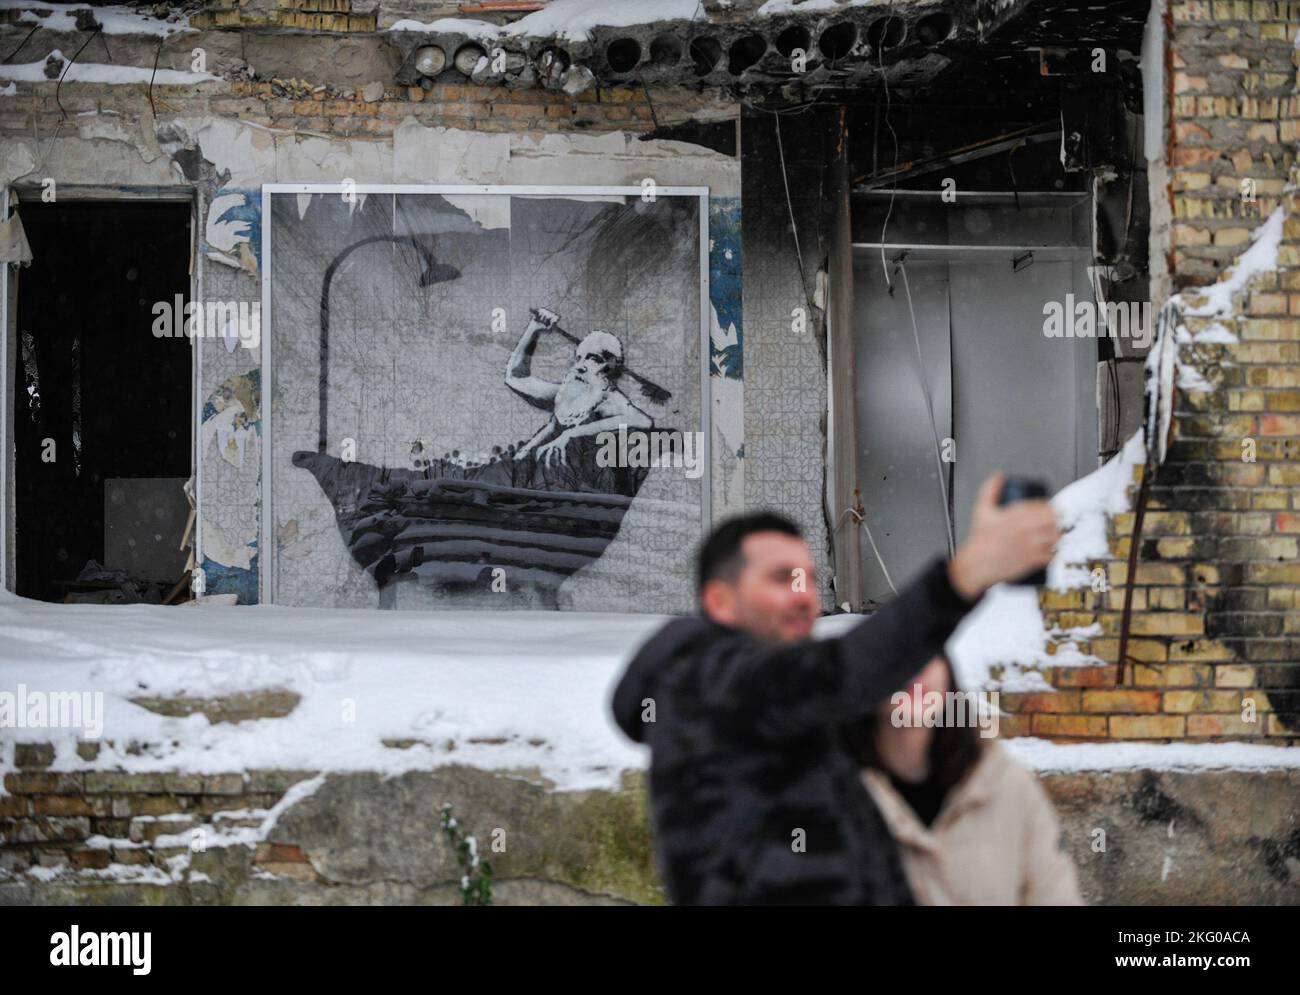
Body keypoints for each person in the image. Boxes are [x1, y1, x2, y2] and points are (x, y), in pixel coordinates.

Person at [610, 473, 1059, 905]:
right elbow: (844, 671)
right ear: (719, 602)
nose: (806, 596)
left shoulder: (770, 700)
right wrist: (968, 572)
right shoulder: (704, 678)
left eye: (807, 577)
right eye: (782, 578)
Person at [849, 653, 1084, 905]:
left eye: (928, 651)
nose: (916, 669)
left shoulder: (1006, 784)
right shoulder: (834, 795)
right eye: (898, 653)